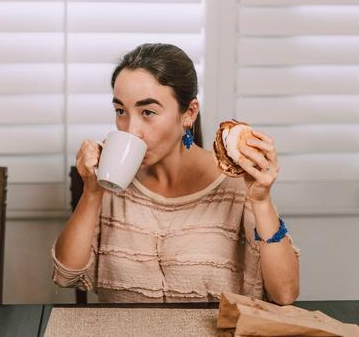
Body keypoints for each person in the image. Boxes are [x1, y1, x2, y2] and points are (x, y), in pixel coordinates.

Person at [51, 43, 300, 304]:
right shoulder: (110, 182)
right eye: (121, 111)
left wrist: (261, 201)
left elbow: (284, 293)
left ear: (189, 113)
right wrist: (92, 192)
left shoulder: (237, 183)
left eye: (148, 112)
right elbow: (65, 276)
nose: (130, 130)